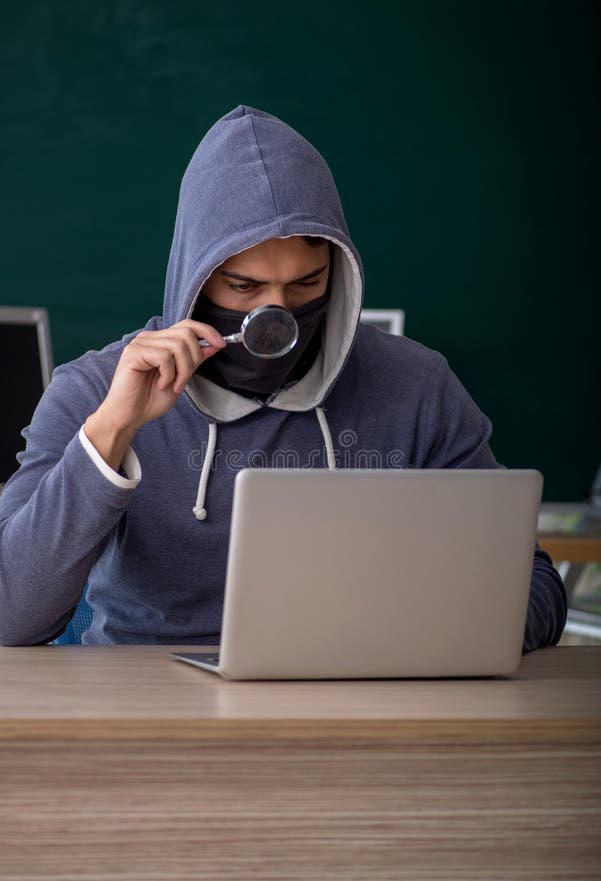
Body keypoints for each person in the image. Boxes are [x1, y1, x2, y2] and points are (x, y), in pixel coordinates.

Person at [0, 105, 566, 648]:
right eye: (244, 289)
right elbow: (10, 616)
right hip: (148, 713)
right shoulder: (96, 391)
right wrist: (110, 434)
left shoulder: (416, 387)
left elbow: (535, 585)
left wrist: (430, 642)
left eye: (305, 286)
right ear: (194, 281)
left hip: (361, 701)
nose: (277, 318)